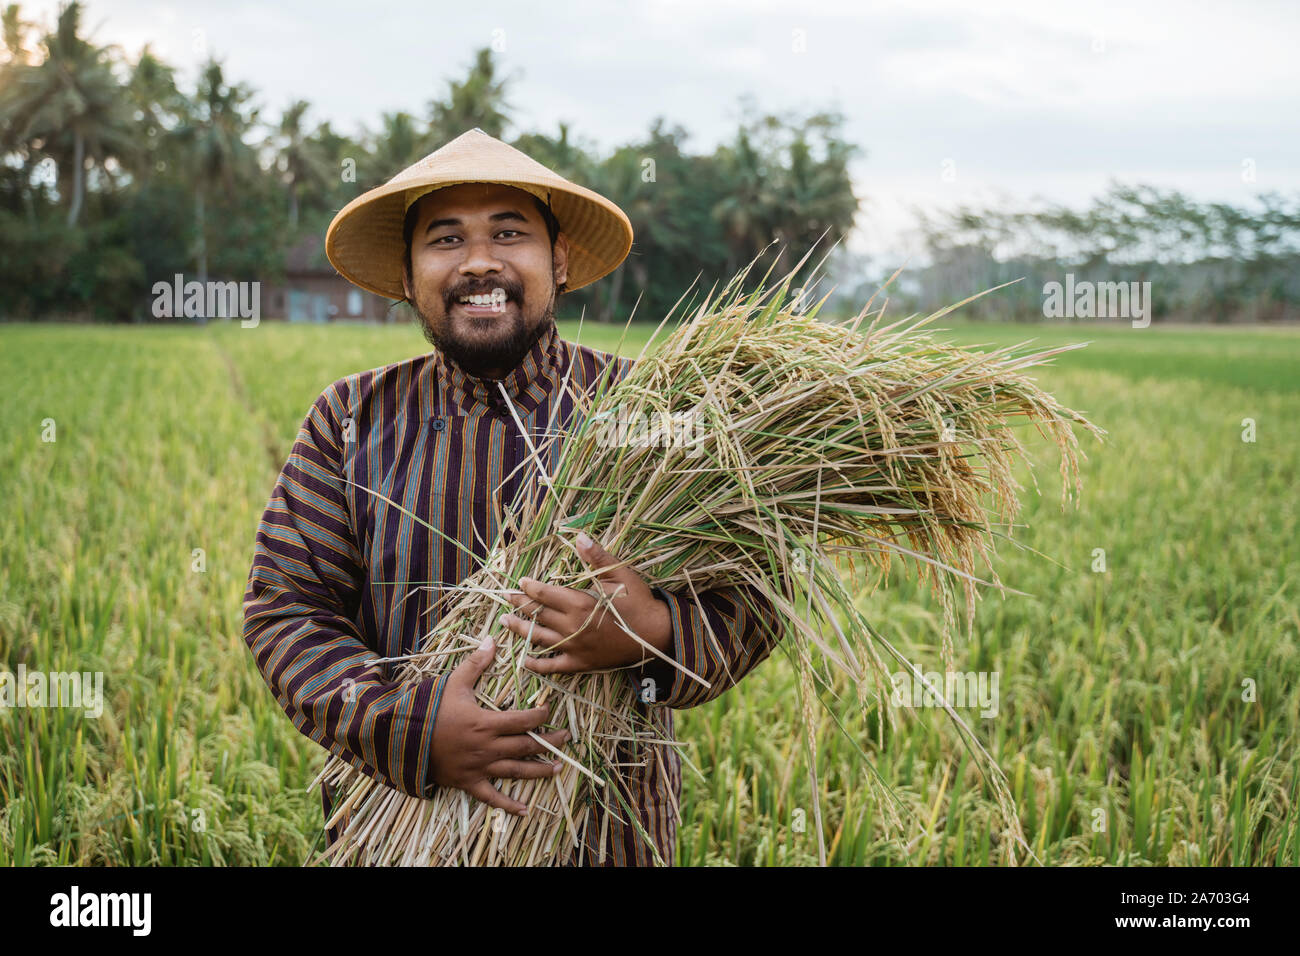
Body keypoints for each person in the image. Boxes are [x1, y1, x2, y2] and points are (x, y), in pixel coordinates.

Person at [242, 128, 780, 866]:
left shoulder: (651, 409)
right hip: (398, 826)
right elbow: (287, 608)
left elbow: (752, 600)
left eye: (509, 232)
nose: (480, 260)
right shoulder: (350, 419)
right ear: (406, 273)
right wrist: (412, 728)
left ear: (558, 260)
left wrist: (647, 631)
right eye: (445, 239)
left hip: (605, 830)